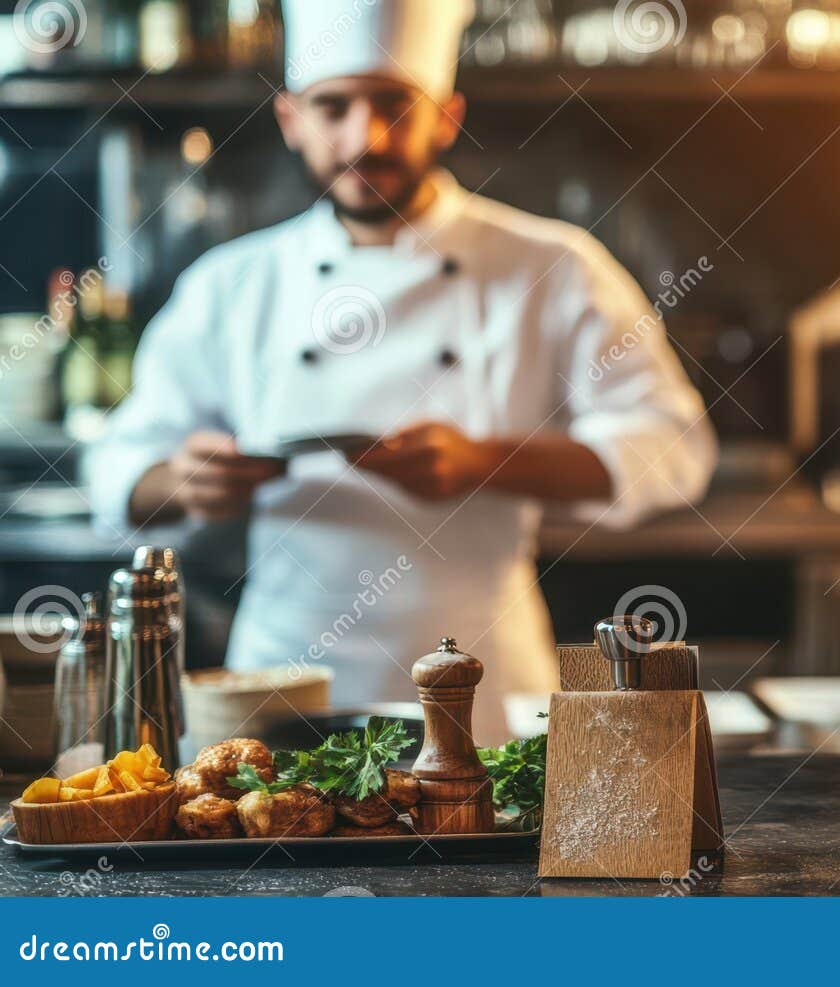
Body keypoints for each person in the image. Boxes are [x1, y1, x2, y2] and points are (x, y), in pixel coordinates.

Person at [84, 0, 717, 743]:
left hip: (488, 692)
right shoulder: (233, 282)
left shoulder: (554, 264)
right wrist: (183, 479)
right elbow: (115, 462)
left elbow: (674, 448)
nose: (366, 137)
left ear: (446, 116)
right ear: (291, 118)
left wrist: (485, 462)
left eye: (394, 105)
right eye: (333, 107)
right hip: (281, 696)